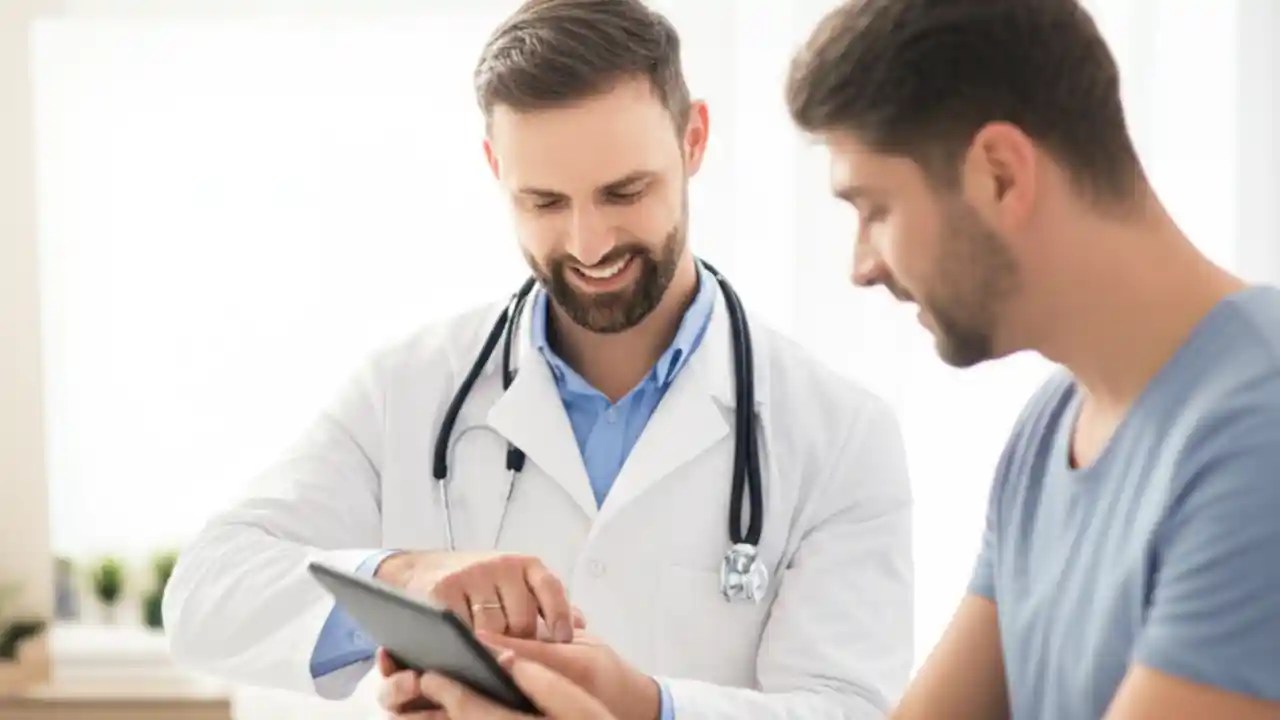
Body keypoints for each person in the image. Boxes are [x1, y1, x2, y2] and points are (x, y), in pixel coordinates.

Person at [418, 0, 1280, 717]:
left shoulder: (1258, 433)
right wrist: (631, 705)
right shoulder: (1052, 432)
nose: (861, 265)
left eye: (874, 208)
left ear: (1000, 175)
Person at [161, 1, 915, 718]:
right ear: (496, 166)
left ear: (693, 140)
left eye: (625, 192)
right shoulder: (407, 390)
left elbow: (848, 708)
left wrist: (643, 708)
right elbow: (203, 594)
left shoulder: (840, 433)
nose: (589, 244)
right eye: (545, 202)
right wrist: (407, 578)